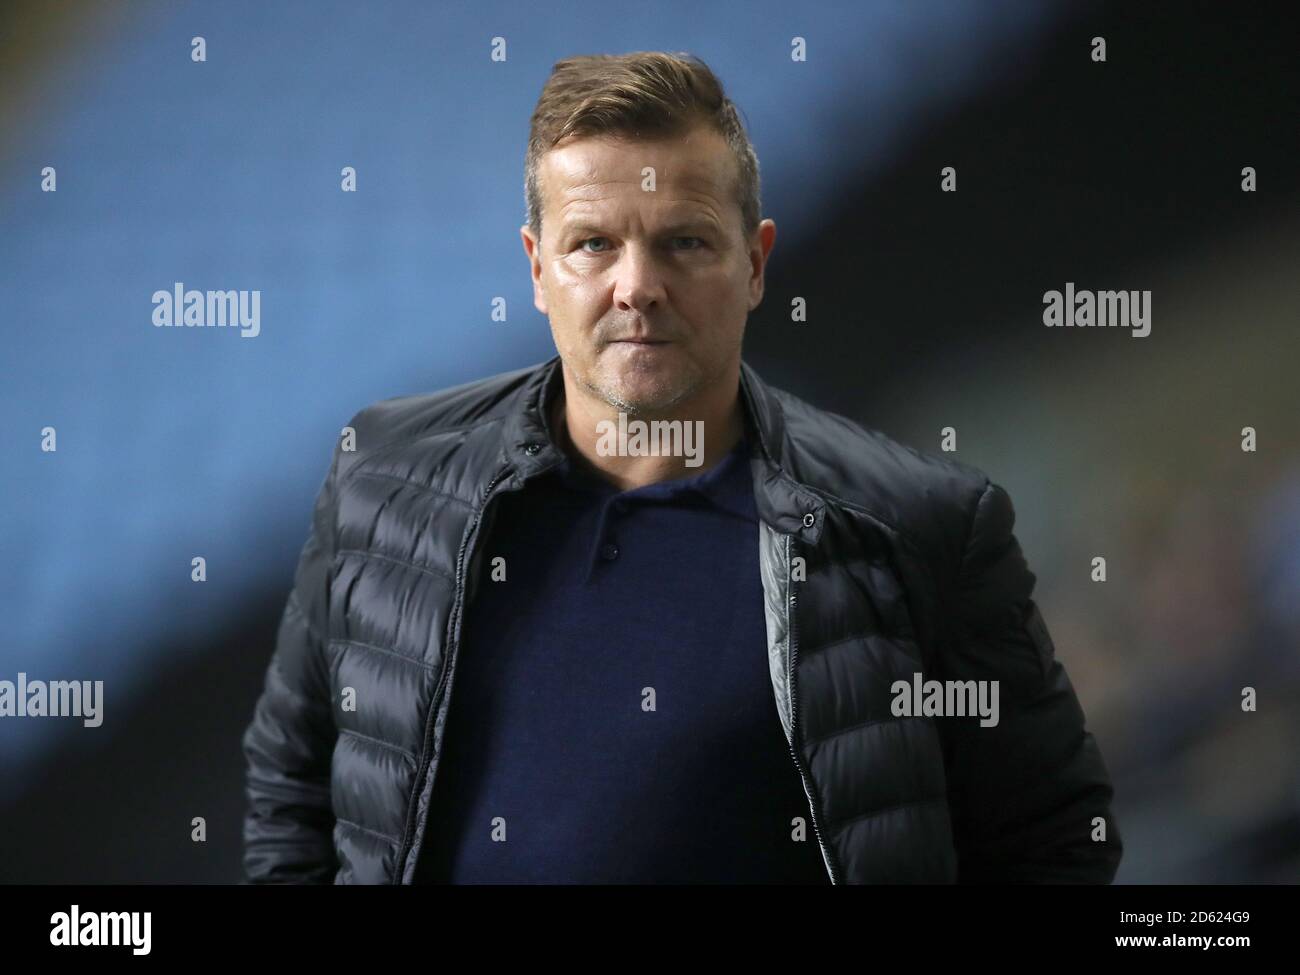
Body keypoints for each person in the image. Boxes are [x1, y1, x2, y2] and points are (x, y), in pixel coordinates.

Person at [241, 51, 1121, 884]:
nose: (638, 285)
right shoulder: (384, 485)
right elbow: (291, 791)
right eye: (593, 244)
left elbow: (1055, 840)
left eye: (684, 243)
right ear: (537, 268)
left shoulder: (922, 529)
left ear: (756, 263)